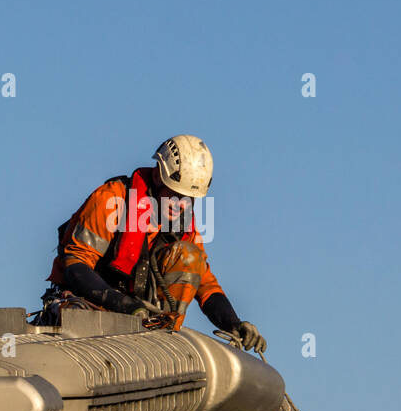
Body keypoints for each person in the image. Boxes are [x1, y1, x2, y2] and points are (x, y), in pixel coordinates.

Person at [37, 135, 266, 354]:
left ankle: (163, 338)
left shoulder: (184, 227)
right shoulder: (112, 200)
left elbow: (206, 284)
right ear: (157, 177)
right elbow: (76, 264)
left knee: (189, 256)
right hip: (89, 304)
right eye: (175, 195)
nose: (181, 205)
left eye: (189, 199)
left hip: (143, 318)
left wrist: (234, 323)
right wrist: (124, 305)